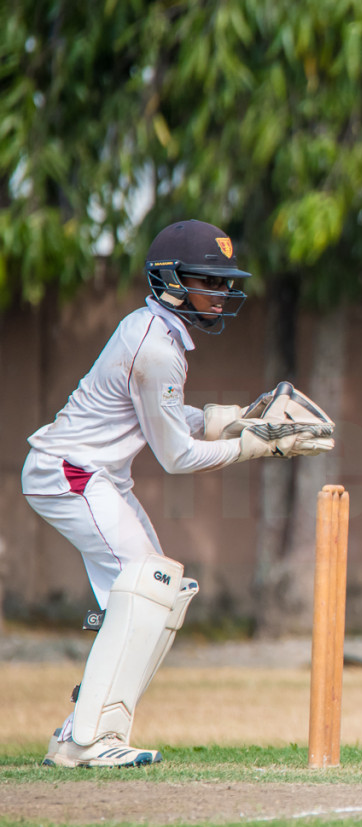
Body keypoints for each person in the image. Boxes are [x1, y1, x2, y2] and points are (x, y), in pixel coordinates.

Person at [23, 220, 335, 768]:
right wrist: (258, 446)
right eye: (208, 282)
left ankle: (83, 734)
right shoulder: (156, 347)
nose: (221, 294)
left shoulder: (156, 331)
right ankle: (89, 741)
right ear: (171, 281)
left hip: (96, 476)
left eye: (223, 283)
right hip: (70, 474)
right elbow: (177, 455)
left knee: (158, 592)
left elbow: (163, 416)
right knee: (149, 584)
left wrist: (234, 418)